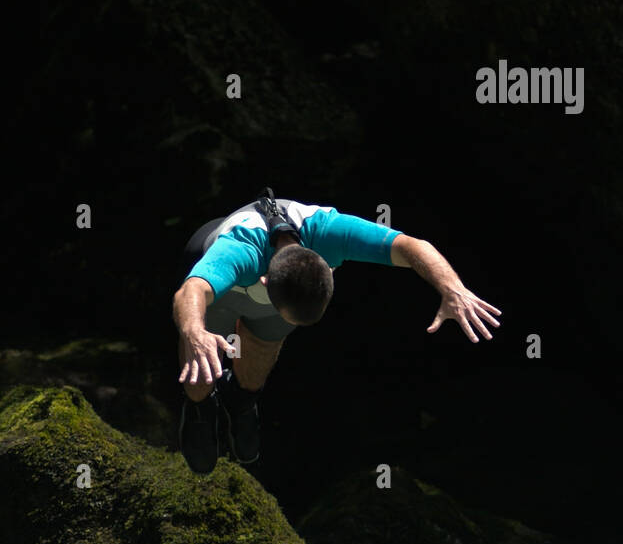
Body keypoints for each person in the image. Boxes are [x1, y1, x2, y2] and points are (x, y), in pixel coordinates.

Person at [172, 190, 502, 474]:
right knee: (201, 365)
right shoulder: (242, 251)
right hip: (222, 290)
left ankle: (242, 401)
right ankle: (201, 408)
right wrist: (193, 332)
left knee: (260, 354)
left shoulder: (331, 232)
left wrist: (452, 287)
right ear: (266, 282)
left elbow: (413, 246)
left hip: (275, 299)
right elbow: (191, 292)